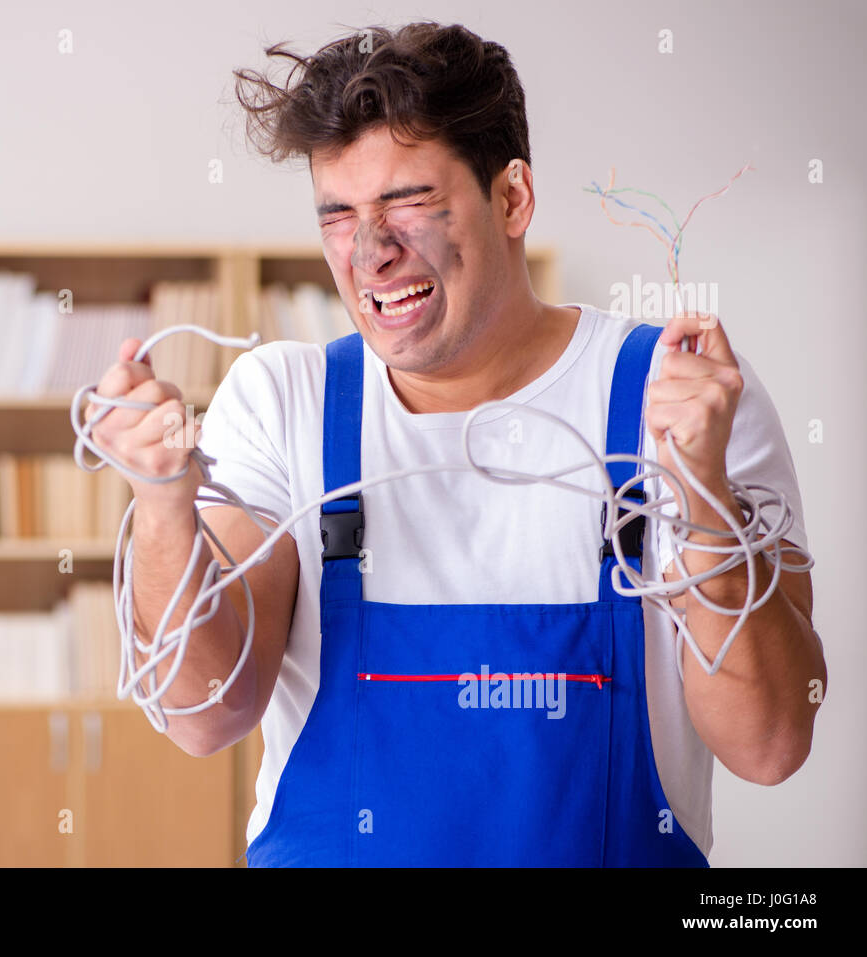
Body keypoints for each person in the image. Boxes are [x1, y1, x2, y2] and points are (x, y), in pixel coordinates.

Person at [88, 21, 825, 866]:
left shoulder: (682, 396)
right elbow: (203, 714)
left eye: (408, 202)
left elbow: (771, 745)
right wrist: (161, 505)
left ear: (511, 198)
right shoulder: (284, 400)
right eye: (340, 216)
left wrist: (700, 492)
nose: (371, 253)